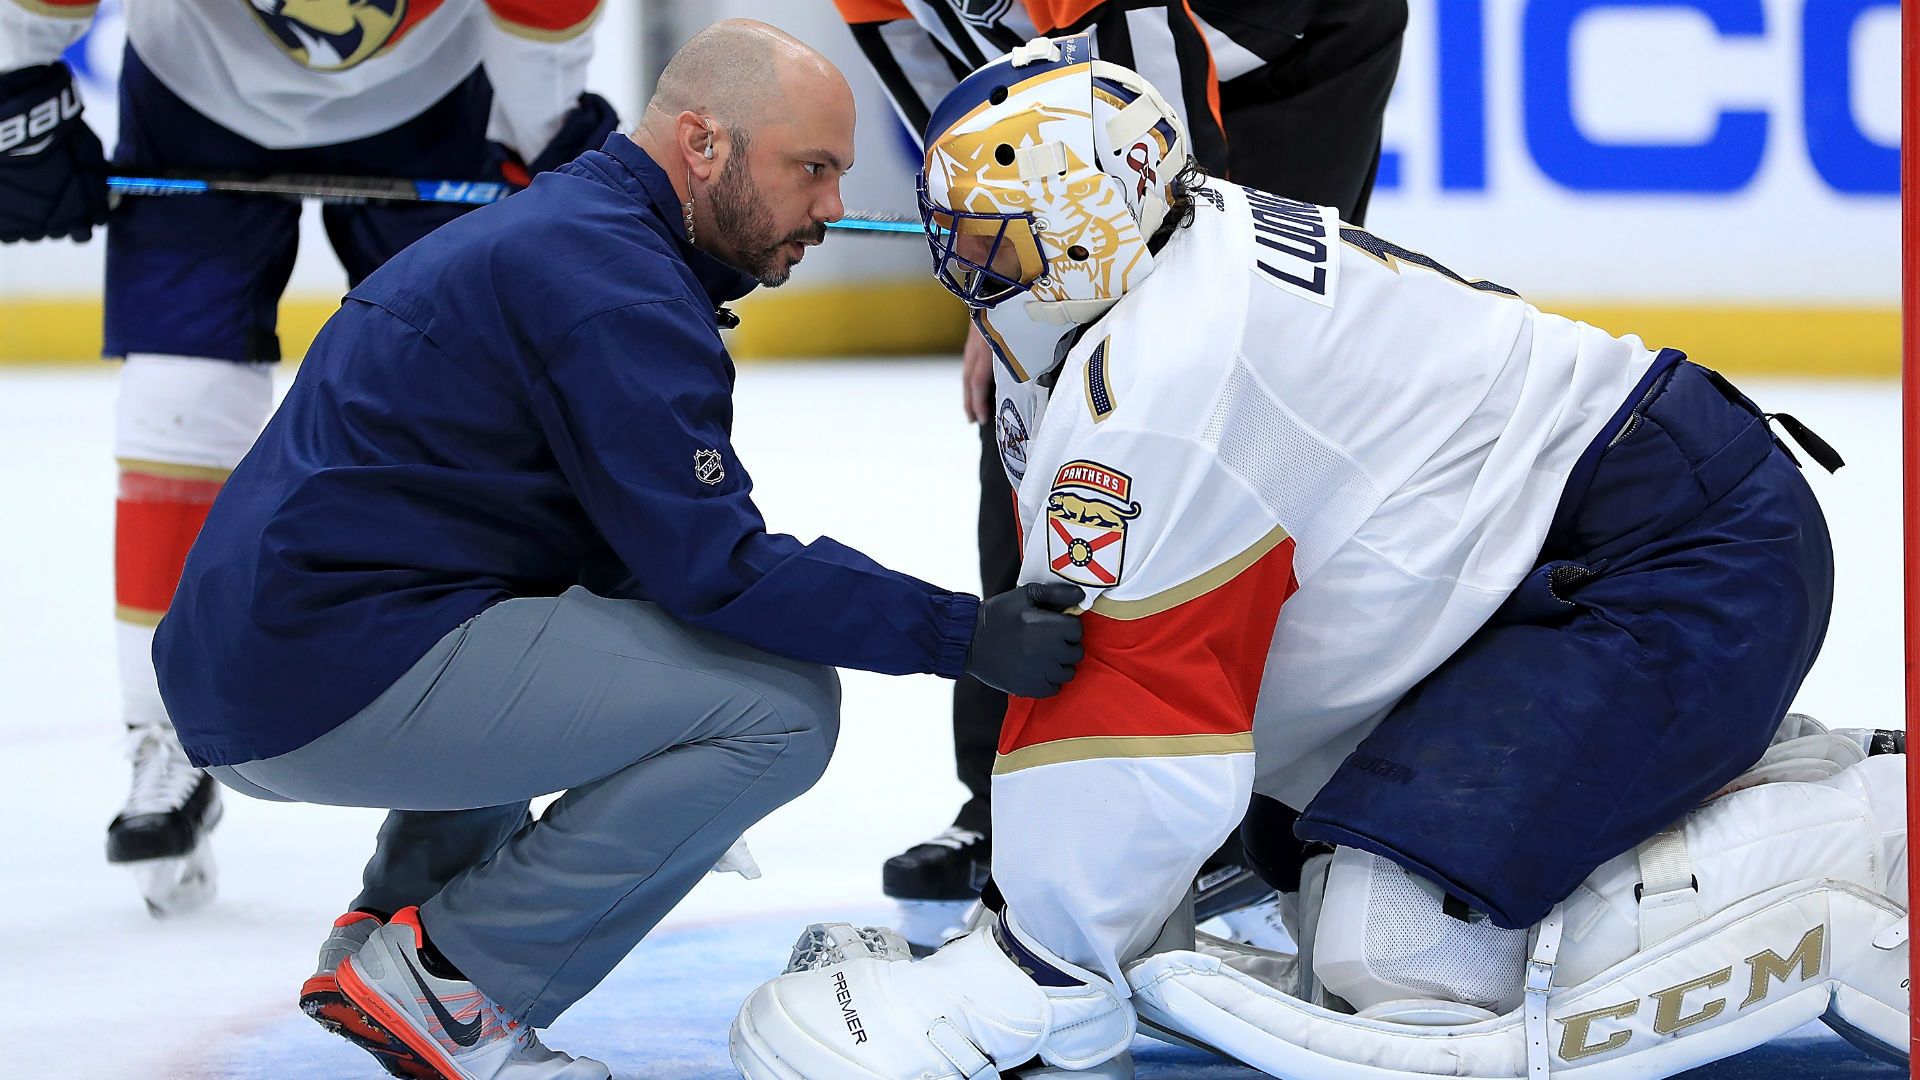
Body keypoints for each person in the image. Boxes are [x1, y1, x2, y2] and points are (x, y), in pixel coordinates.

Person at [730, 38, 1908, 1080]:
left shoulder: (1160, 378)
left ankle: (1877, 829)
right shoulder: (1151, 266)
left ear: (1084, 233)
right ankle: (1737, 777)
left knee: (1400, 944)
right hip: (1566, 552)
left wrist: (1041, 961)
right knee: (1325, 877)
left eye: (989, 243)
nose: (966, 275)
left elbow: (1141, 695)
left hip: (1676, 555)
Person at [151, 21, 1086, 1080]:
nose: (832, 207)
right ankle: (455, 982)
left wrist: (664, 774)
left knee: (564, 617)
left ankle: (397, 929)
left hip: (267, 656)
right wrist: (965, 632)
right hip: (317, 672)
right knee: (781, 713)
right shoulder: (616, 288)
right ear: (704, 144)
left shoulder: (575, 234)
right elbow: (714, 567)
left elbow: (617, 557)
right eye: (811, 170)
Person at [0, 0, 618, 917]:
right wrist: (17, 75)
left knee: (472, 408)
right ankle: (160, 731)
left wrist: (547, 132)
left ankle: (483, 733)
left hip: (434, 100)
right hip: (194, 90)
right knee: (179, 404)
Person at [832, 0, 1406, 927]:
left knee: (1225, 379)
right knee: (1034, 386)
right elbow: (956, 115)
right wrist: (1002, 295)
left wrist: (1147, 295)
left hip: (1292, 43)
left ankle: (1249, 805)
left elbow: (1166, 131)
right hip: (1088, 88)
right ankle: (1004, 797)